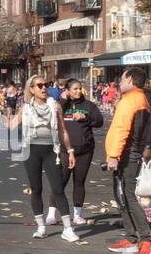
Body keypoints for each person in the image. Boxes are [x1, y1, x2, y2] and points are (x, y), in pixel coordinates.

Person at [9, 74, 77, 242]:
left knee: (58, 188)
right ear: (31, 90)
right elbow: (10, 126)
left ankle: (68, 229)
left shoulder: (55, 106)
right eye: (39, 85)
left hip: (51, 151)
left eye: (45, 84)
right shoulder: (25, 108)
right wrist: (8, 113)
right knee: (36, 189)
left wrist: (70, 150)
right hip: (31, 152)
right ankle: (41, 227)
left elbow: (62, 130)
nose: (44, 88)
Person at [104, 67, 151, 254]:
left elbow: (121, 130)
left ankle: (145, 239)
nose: (119, 82)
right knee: (122, 195)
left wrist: (113, 155)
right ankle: (132, 237)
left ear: (130, 80)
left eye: (122, 78)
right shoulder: (139, 99)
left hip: (126, 154)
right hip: (127, 153)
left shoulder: (130, 101)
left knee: (127, 195)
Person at [59, 79, 104, 227]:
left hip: (85, 150)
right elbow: (53, 114)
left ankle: (77, 215)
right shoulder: (61, 105)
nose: (78, 91)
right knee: (60, 182)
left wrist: (86, 117)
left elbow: (99, 121)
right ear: (67, 90)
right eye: (75, 89)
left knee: (79, 182)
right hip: (65, 150)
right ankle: (52, 214)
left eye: (80, 88)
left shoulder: (88, 105)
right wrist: (63, 100)